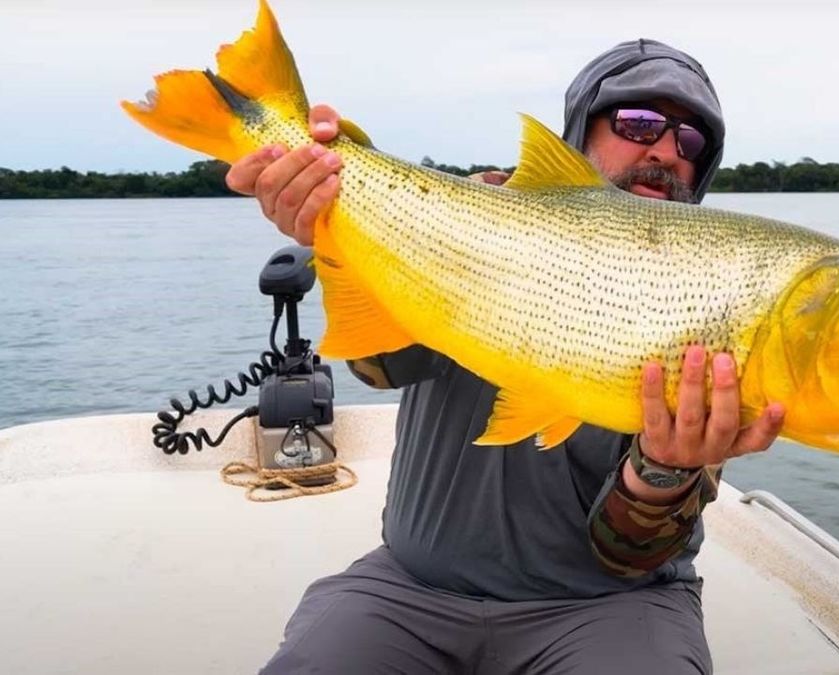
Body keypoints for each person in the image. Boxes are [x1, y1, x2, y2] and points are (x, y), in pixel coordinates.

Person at [226, 38, 785, 675]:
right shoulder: (477, 214)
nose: (663, 151)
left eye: (691, 144)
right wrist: (333, 227)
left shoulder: (723, 297)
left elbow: (632, 556)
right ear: (579, 133)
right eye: (638, 124)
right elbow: (381, 366)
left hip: (606, 606)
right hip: (412, 589)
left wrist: (663, 471)